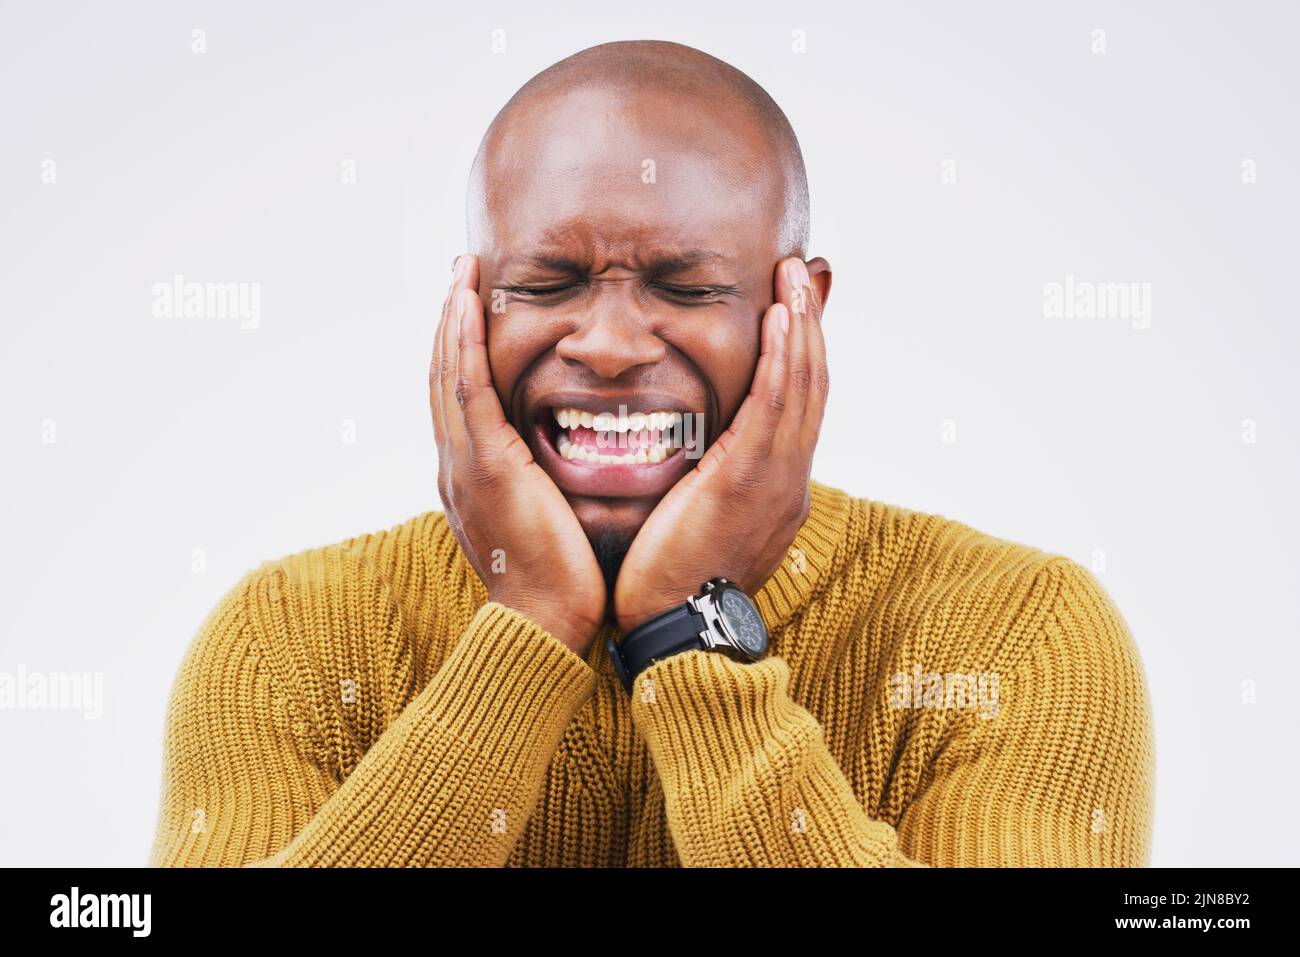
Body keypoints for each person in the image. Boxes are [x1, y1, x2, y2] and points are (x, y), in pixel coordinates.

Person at [149, 40, 1154, 867]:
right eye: (548, 283)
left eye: (684, 287)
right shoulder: (282, 643)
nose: (611, 345)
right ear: (470, 305)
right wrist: (528, 623)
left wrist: (695, 631)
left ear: (795, 308)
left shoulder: (1021, 635)